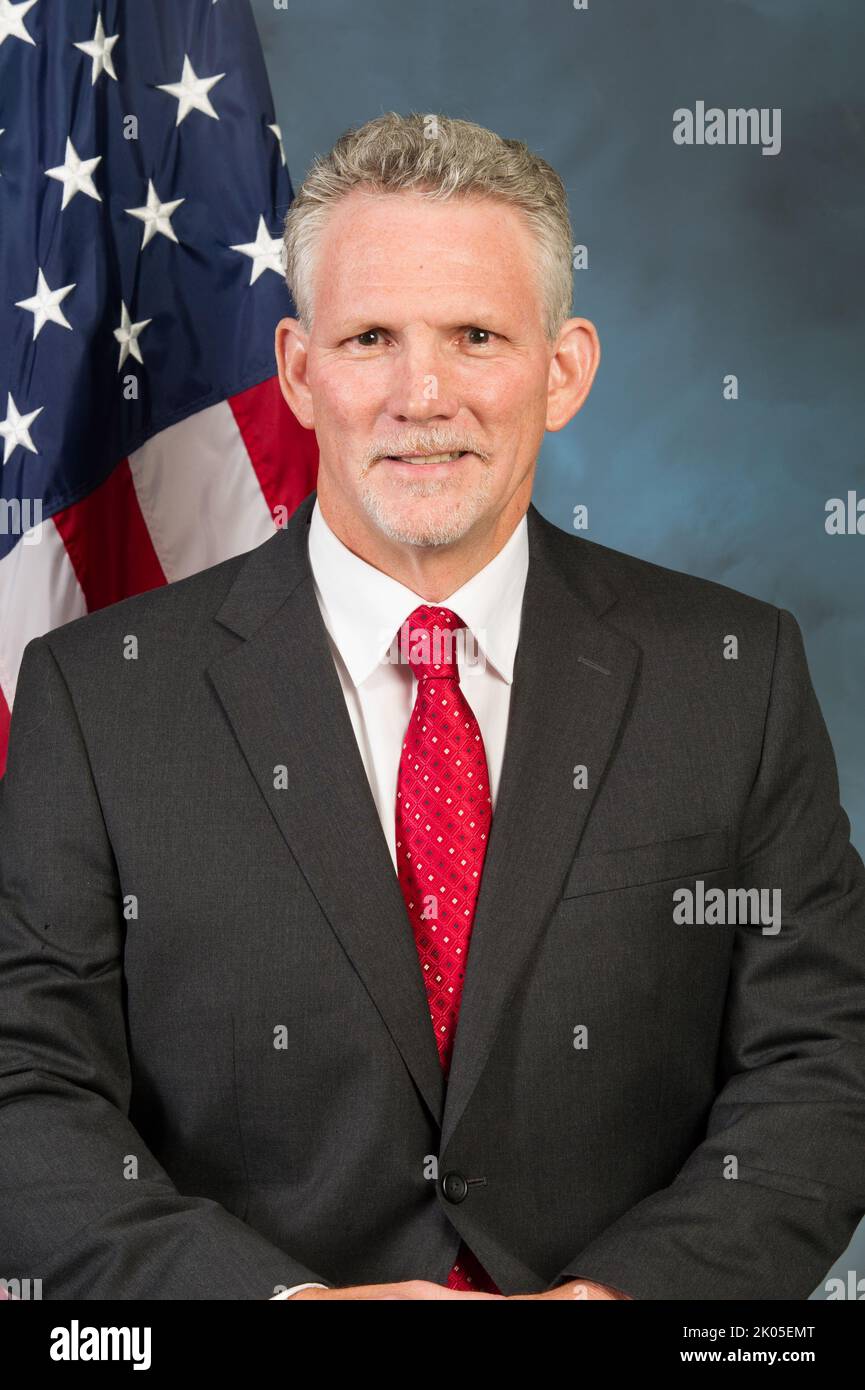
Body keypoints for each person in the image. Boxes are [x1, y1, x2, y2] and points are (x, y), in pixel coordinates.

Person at [1, 112, 863, 1301]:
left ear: (563, 370)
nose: (423, 393)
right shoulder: (96, 696)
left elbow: (823, 1061)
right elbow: (24, 1085)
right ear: (300, 371)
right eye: (370, 338)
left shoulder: (732, 672)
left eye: (474, 335)